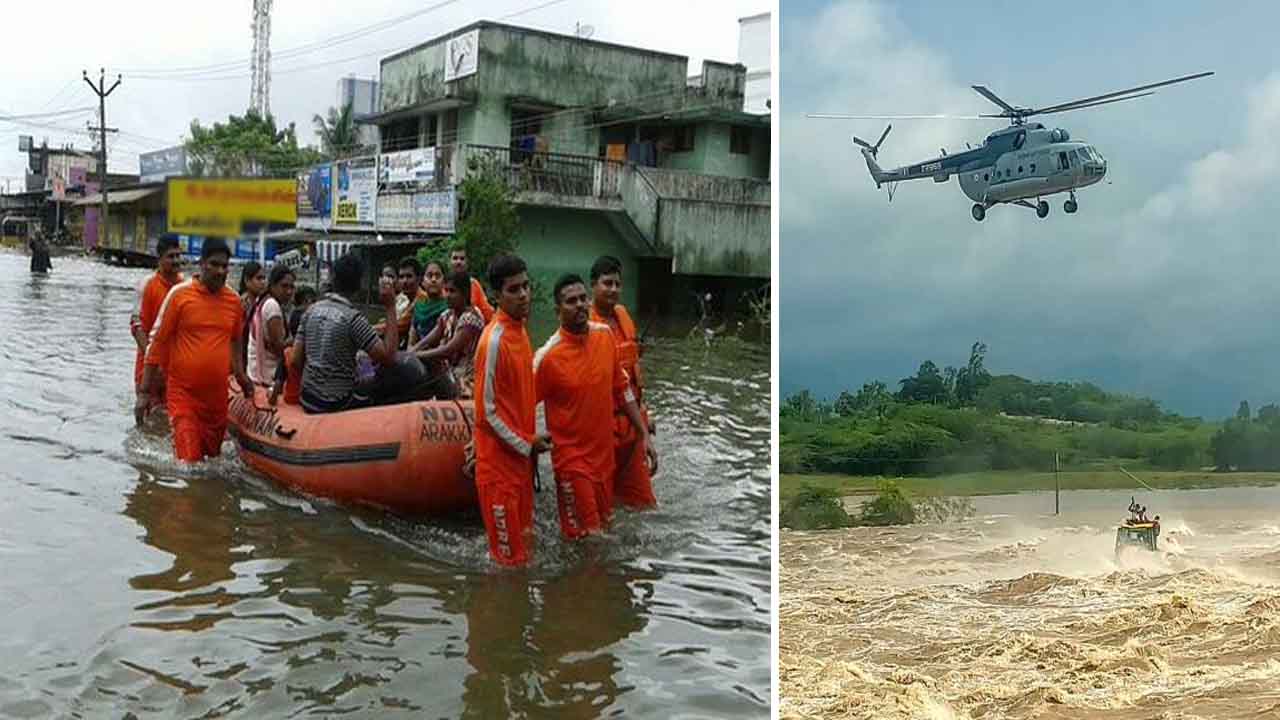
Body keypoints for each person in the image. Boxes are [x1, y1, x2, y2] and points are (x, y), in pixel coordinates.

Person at [535, 274, 656, 540]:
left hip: (604, 460)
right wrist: (527, 440)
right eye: (570, 301)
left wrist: (644, 434)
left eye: (582, 299)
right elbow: (520, 403)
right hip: (571, 463)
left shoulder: (604, 337)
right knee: (590, 540)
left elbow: (622, 390)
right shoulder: (547, 358)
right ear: (558, 311)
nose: (579, 305)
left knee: (604, 533)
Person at [137, 238, 254, 462]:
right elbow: (157, 342)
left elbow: (236, 340)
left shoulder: (233, 302)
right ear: (201, 263)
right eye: (215, 264)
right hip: (184, 395)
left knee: (212, 463)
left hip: (217, 399)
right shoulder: (179, 295)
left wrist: (240, 374)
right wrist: (144, 392)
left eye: (225, 266)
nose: (220, 271)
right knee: (189, 464)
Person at [473, 254, 550, 567]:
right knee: (508, 568)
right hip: (498, 473)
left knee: (524, 555)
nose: (523, 295)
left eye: (526, 286)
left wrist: (530, 443)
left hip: (521, 467)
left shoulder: (521, 331)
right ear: (496, 295)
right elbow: (486, 413)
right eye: (514, 289)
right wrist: (526, 443)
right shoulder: (493, 340)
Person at [290, 252, 421, 413]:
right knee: (397, 372)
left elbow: (295, 360)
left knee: (363, 361)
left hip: (308, 397)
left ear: (333, 279)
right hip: (336, 402)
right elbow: (388, 357)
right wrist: (390, 306)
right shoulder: (353, 318)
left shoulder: (311, 310)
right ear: (359, 285)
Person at [588, 255, 657, 510]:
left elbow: (634, 376)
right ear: (593, 285)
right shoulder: (584, 325)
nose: (613, 289)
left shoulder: (623, 316)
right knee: (602, 511)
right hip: (602, 433)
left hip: (631, 427)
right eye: (607, 283)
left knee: (644, 506)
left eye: (617, 284)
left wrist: (644, 423)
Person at [413, 270, 485, 398]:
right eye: (446, 290)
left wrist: (417, 355)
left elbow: (448, 350)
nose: (447, 295)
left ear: (465, 293)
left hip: (467, 379)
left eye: (452, 291)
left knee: (430, 362)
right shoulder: (447, 315)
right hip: (449, 373)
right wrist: (409, 353)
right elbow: (427, 341)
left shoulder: (472, 318)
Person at [131, 235, 184, 392]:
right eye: (171, 256)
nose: (176, 260)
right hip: (148, 371)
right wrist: (153, 363)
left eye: (178, 255)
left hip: (175, 371)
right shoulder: (147, 285)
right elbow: (136, 327)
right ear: (159, 259)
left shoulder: (185, 287)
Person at [247, 264, 296, 386]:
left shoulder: (263, 301)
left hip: (255, 372)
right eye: (284, 286)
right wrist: (295, 341)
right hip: (269, 377)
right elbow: (279, 349)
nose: (289, 291)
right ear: (273, 285)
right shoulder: (272, 306)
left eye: (291, 287)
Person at [271, 284, 317, 407]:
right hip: (309, 400)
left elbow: (277, 385)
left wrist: (273, 395)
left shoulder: (287, 352)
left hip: (291, 398)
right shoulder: (316, 351)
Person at [450, 246, 495, 323]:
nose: (458, 262)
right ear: (450, 261)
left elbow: (487, 311)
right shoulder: (444, 285)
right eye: (455, 258)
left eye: (462, 259)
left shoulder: (474, 284)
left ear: (467, 263)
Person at [409, 260, 448, 347]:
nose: (433, 280)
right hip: (415, 356)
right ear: (422, 282)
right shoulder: (418, 306)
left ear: (444, 282)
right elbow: (411, 339)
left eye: (438, 276)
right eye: (429, 276)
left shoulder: (449, 307)